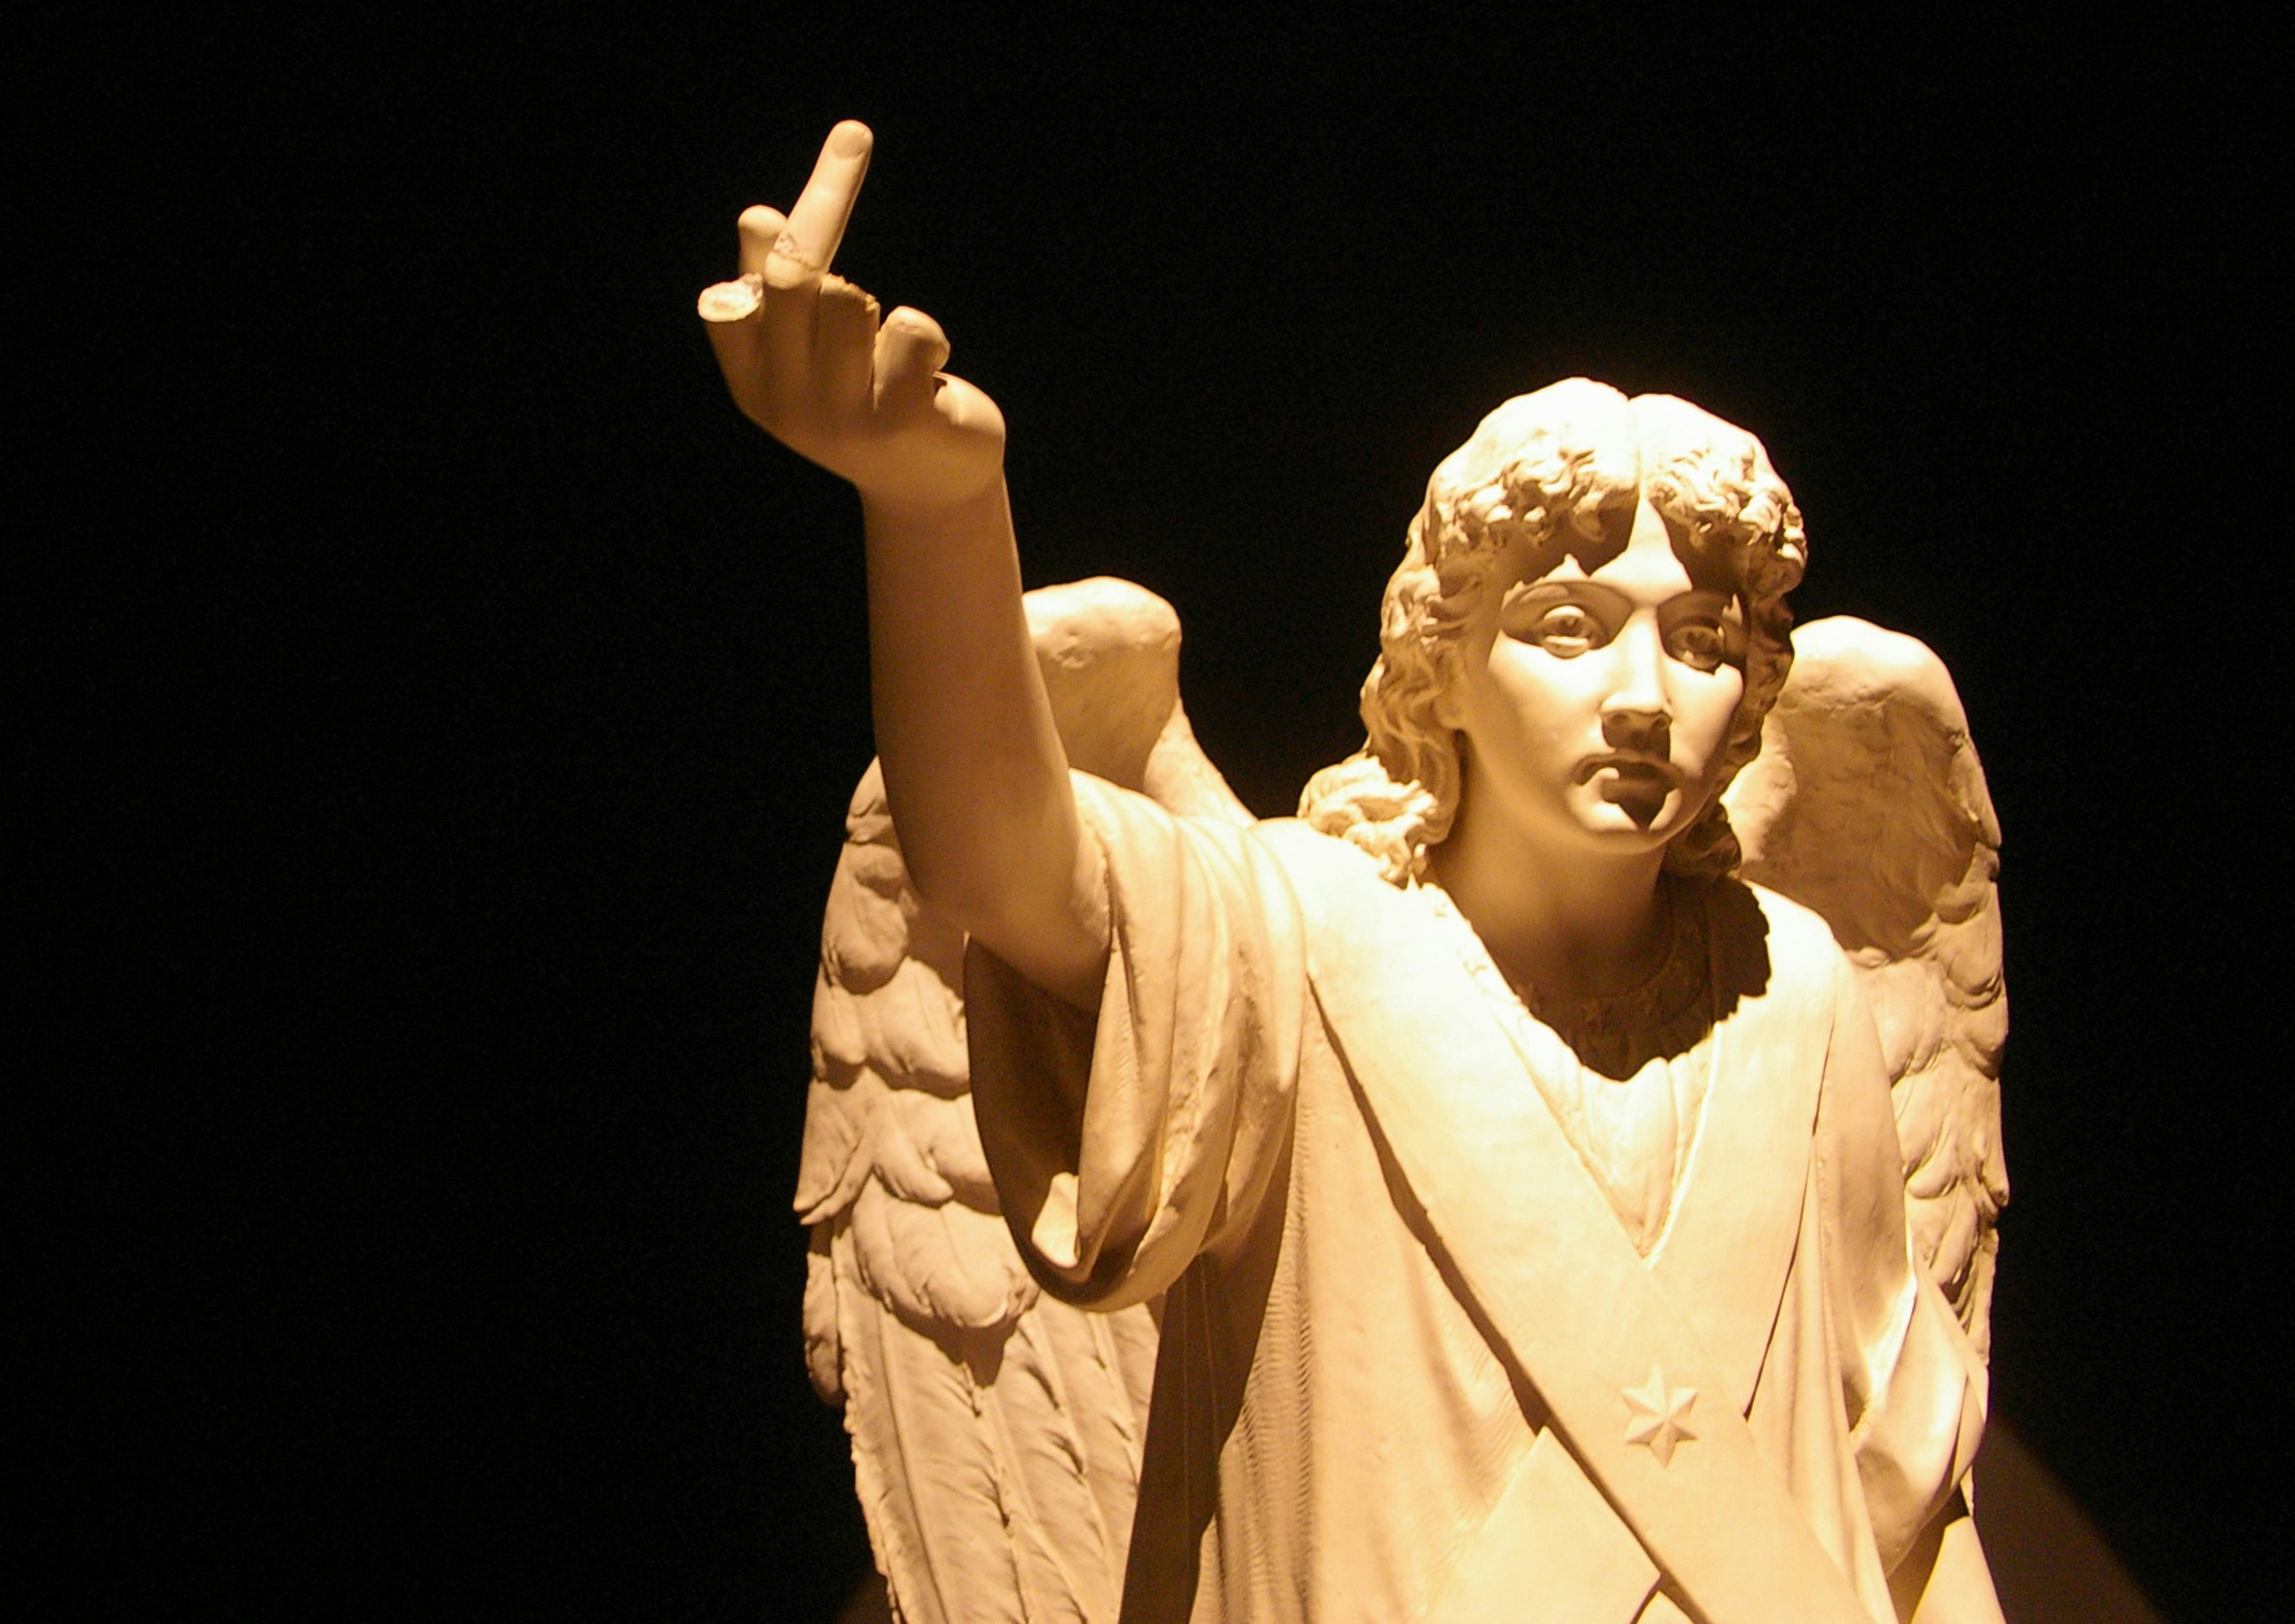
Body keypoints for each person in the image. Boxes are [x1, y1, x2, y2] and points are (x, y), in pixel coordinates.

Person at [700, 125, 1997, 1624]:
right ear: (1442, 660)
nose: (1649, 694)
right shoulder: (1282, 933)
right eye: (1571, 625)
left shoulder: (1802, 994)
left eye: (1706, 643)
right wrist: (930, 506)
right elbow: (998, 861)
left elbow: (1901, 1485)